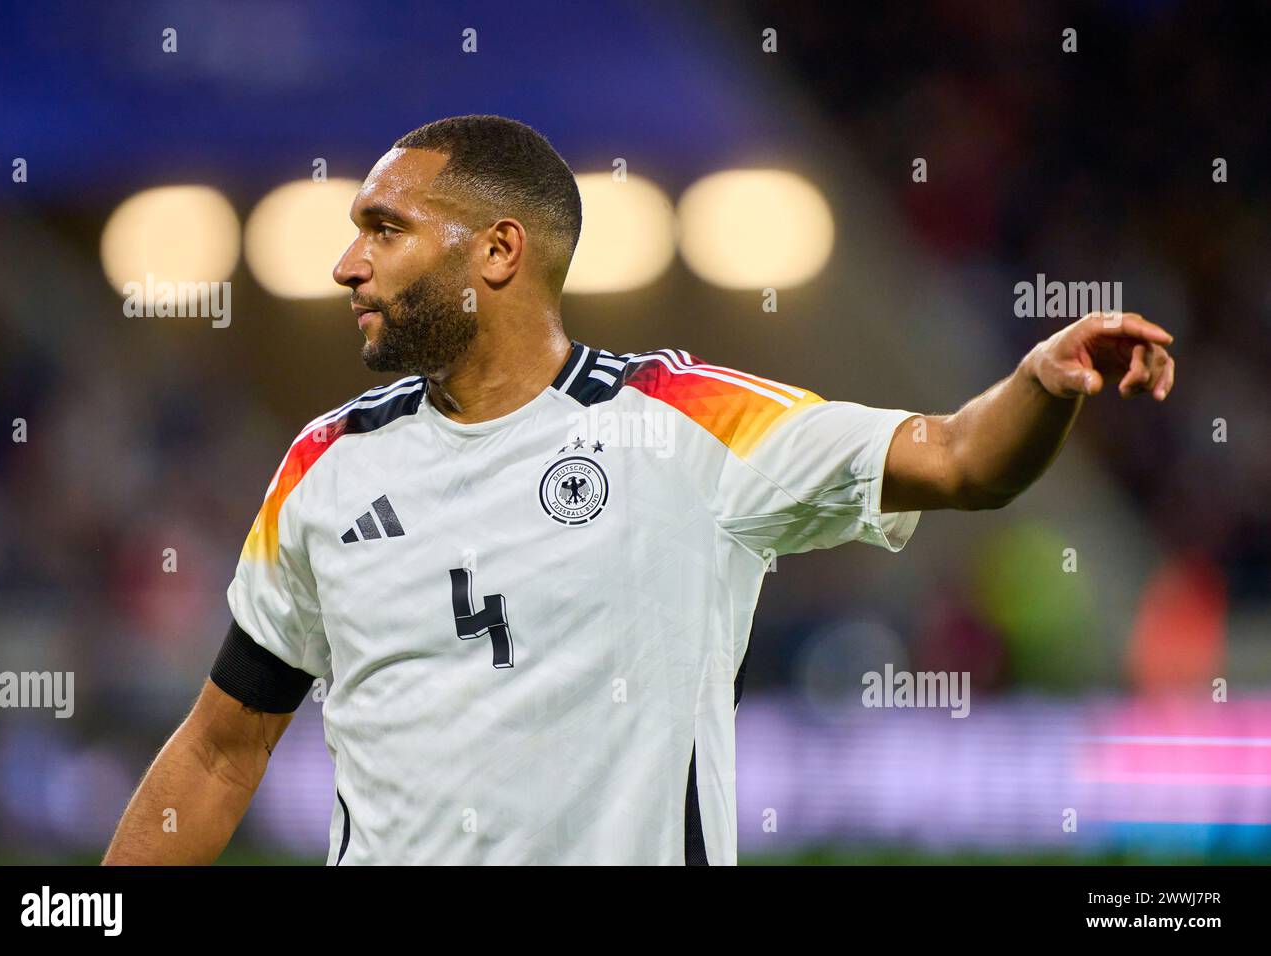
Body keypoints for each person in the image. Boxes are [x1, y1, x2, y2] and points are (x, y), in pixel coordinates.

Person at [104, 115, 1175, 865]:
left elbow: (957, 459)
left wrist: (1041, 382)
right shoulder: (324, 464)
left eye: (383, 229)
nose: (347, 263)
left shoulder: (688, 422)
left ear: (497, 250)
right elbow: (217, 746)